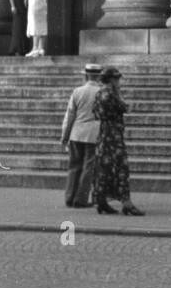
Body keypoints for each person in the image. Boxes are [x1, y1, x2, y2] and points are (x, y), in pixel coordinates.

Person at [92, 67, 144, 216]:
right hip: (114, 136)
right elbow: (126, 108)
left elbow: (96, 113)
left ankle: (101, 201)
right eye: (117, 79)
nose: (119, 82)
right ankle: (126, 203)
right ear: (112, 80)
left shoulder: (99, 94)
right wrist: (119, 95)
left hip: (103, 135)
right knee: (121, 168)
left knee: (103, 168)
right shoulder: (111, 95)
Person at [60, 62, 103, 208]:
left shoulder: (77, 91)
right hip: (93, 134)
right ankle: (81, 198)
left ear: (85, 75)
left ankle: (69, 196)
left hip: (76, 133)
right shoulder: (102, 92)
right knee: (88, 167)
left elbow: (70, 115)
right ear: (99, 77)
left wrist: (65, 135)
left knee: (74, 165)